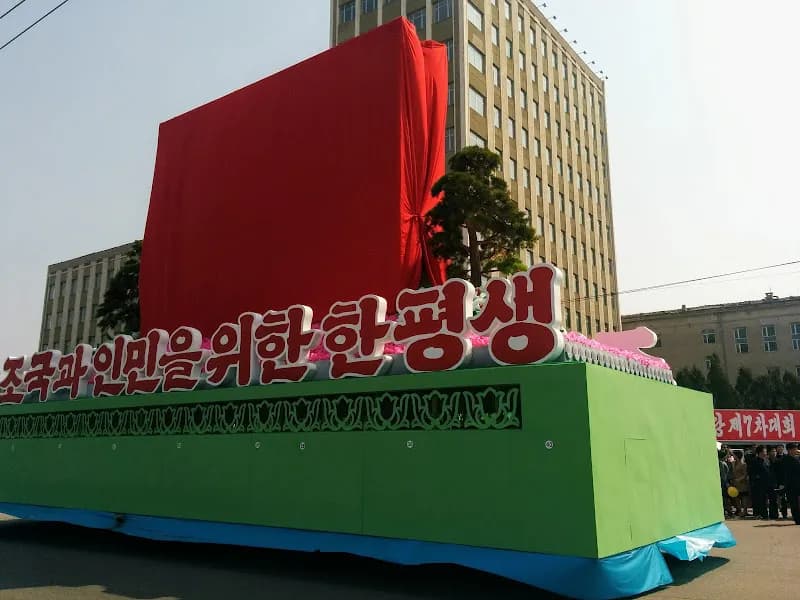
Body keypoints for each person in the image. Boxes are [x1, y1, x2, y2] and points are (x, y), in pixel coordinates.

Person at [749, 445, 769, 519]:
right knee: (758, 499)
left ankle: (764, 514)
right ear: (760, 452)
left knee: (764, 500)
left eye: (766, 451)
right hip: (758, 484)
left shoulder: (766, 460)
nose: (765, 453)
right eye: (764, 451)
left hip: (766, 484)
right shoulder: (754, 461)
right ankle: (757, 514)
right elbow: (751, 473)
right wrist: (757, 477)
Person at [783, 443, 800, 525]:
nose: (796, 450)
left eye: (796, 449)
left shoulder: (796, 459)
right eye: (794, 449)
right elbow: (786, 474)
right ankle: (797, 519)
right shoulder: (786, 460)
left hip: (798, 484)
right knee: (794, 503)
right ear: (789, 450)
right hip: (791, 485)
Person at [731, 450, 750, 517]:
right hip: (735, 484)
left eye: (734, 455)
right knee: (736, 497)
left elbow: (745, 474)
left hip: (742, 483)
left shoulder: (743, 464)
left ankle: (745, 511)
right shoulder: (733, 463)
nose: (732, 456)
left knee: (744, 497)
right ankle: (739, 510)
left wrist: (739, 479)